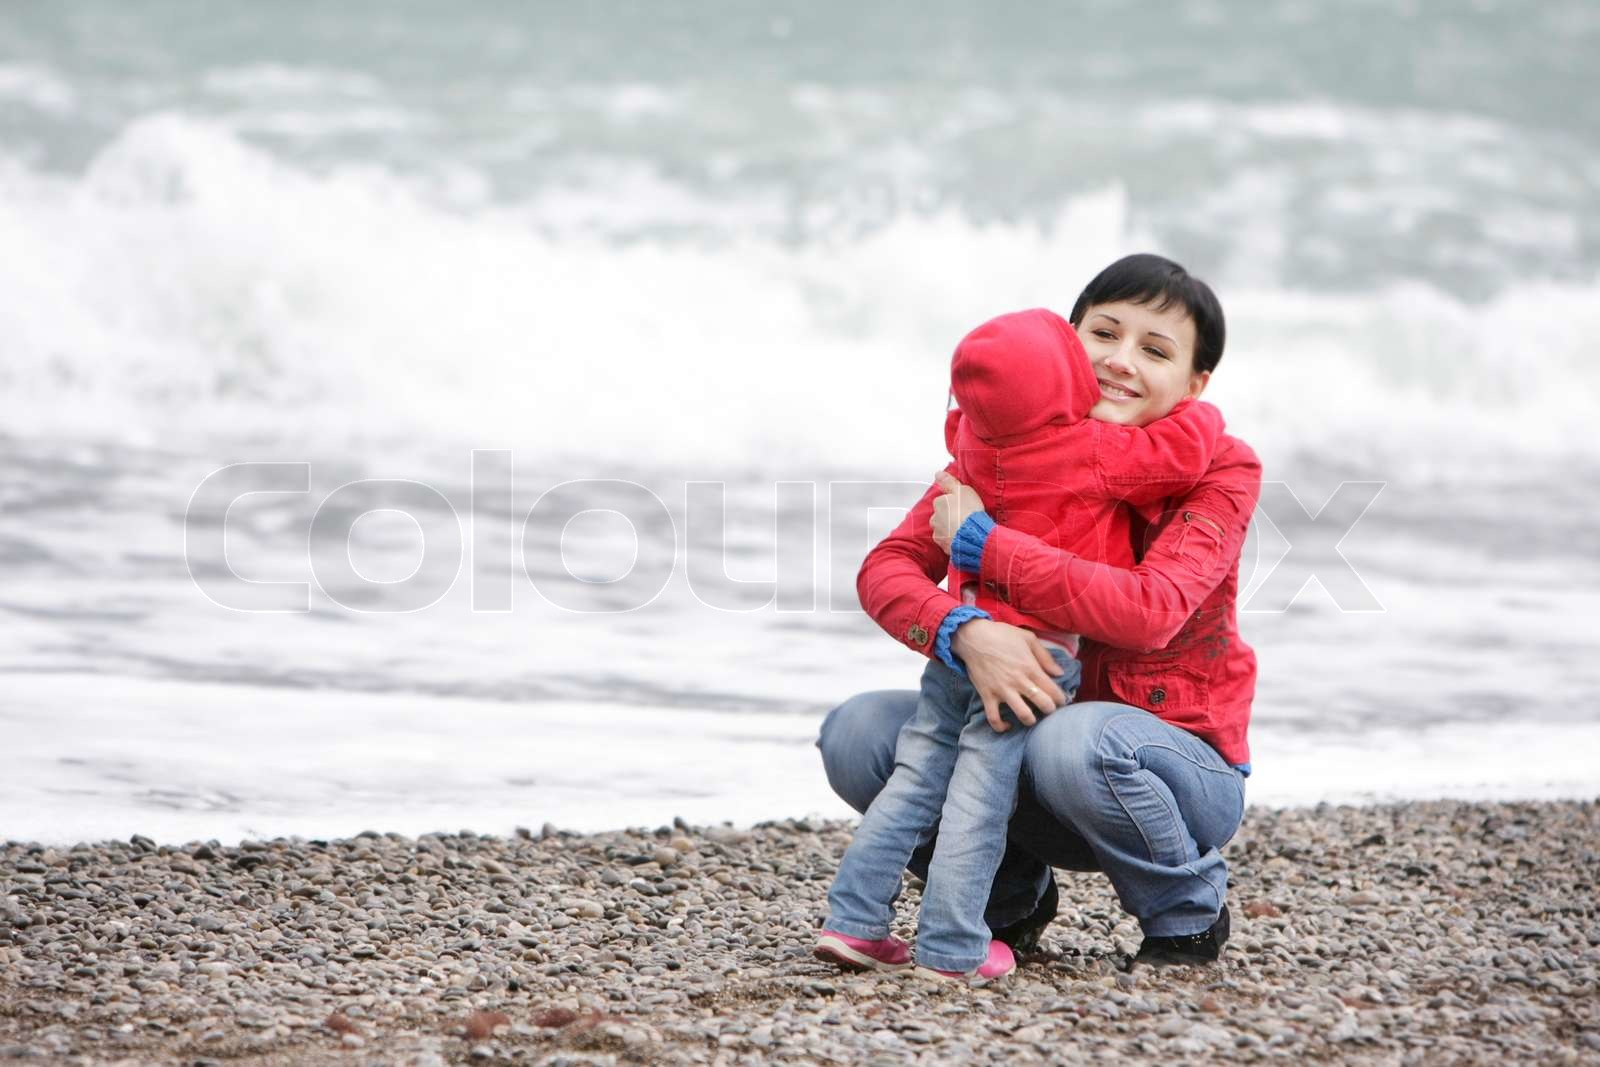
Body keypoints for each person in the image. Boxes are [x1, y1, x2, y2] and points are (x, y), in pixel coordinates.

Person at [818, 253, 1259, 968]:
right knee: (857, 732)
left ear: (1195, 382)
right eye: (1103, 334)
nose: (1120, 361)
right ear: (1065, 340)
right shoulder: (1005, 442)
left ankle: (1187, 912)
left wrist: (985, 546)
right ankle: (1007, 899)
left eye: (1154, 350)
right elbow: (887, 568)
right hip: (1013, 744)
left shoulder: (1222, 469)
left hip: (1164, 767)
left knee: (1073, 743)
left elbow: (1153, 610)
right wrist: (966, 632)